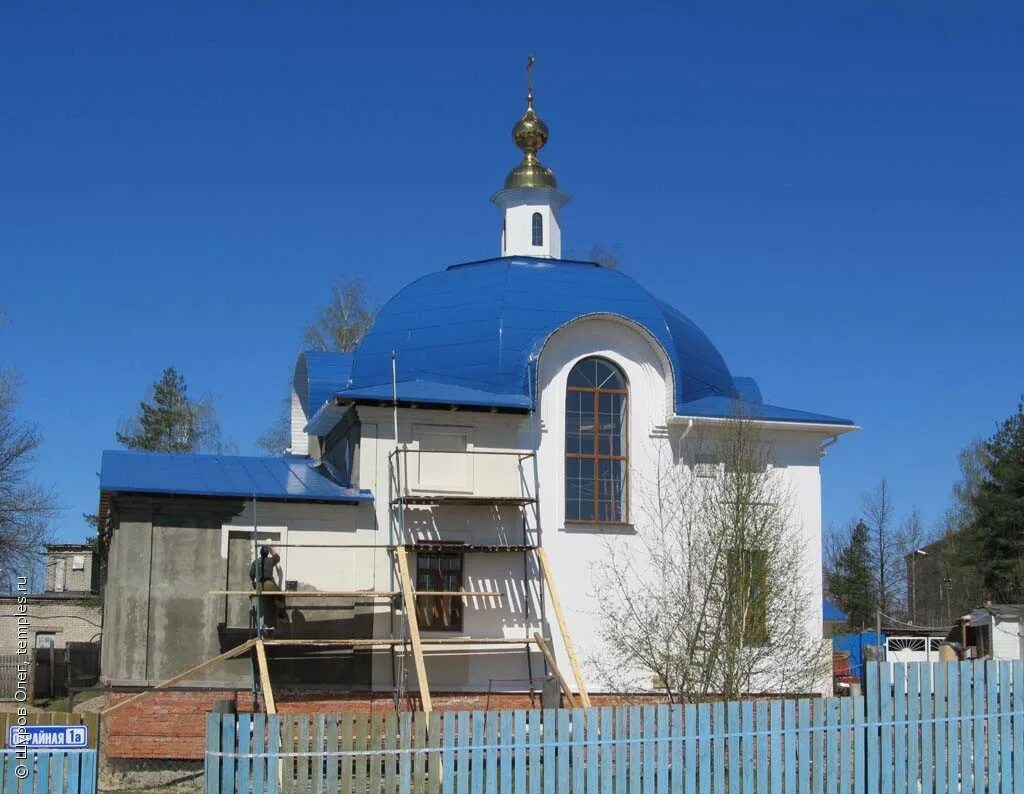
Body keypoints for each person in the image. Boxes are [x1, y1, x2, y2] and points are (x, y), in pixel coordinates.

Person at [249, 545, 281, 632]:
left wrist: (254, 582)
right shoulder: (270, 560)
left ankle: (266, 625)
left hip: (259, 586)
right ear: (267, 553)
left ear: (260, 553)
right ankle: (280, 614)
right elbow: (277, 557)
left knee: (265, 604)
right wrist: (272, 547)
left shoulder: (255, 562)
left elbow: (251, 574)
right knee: (279, 596)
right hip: (268, 584)